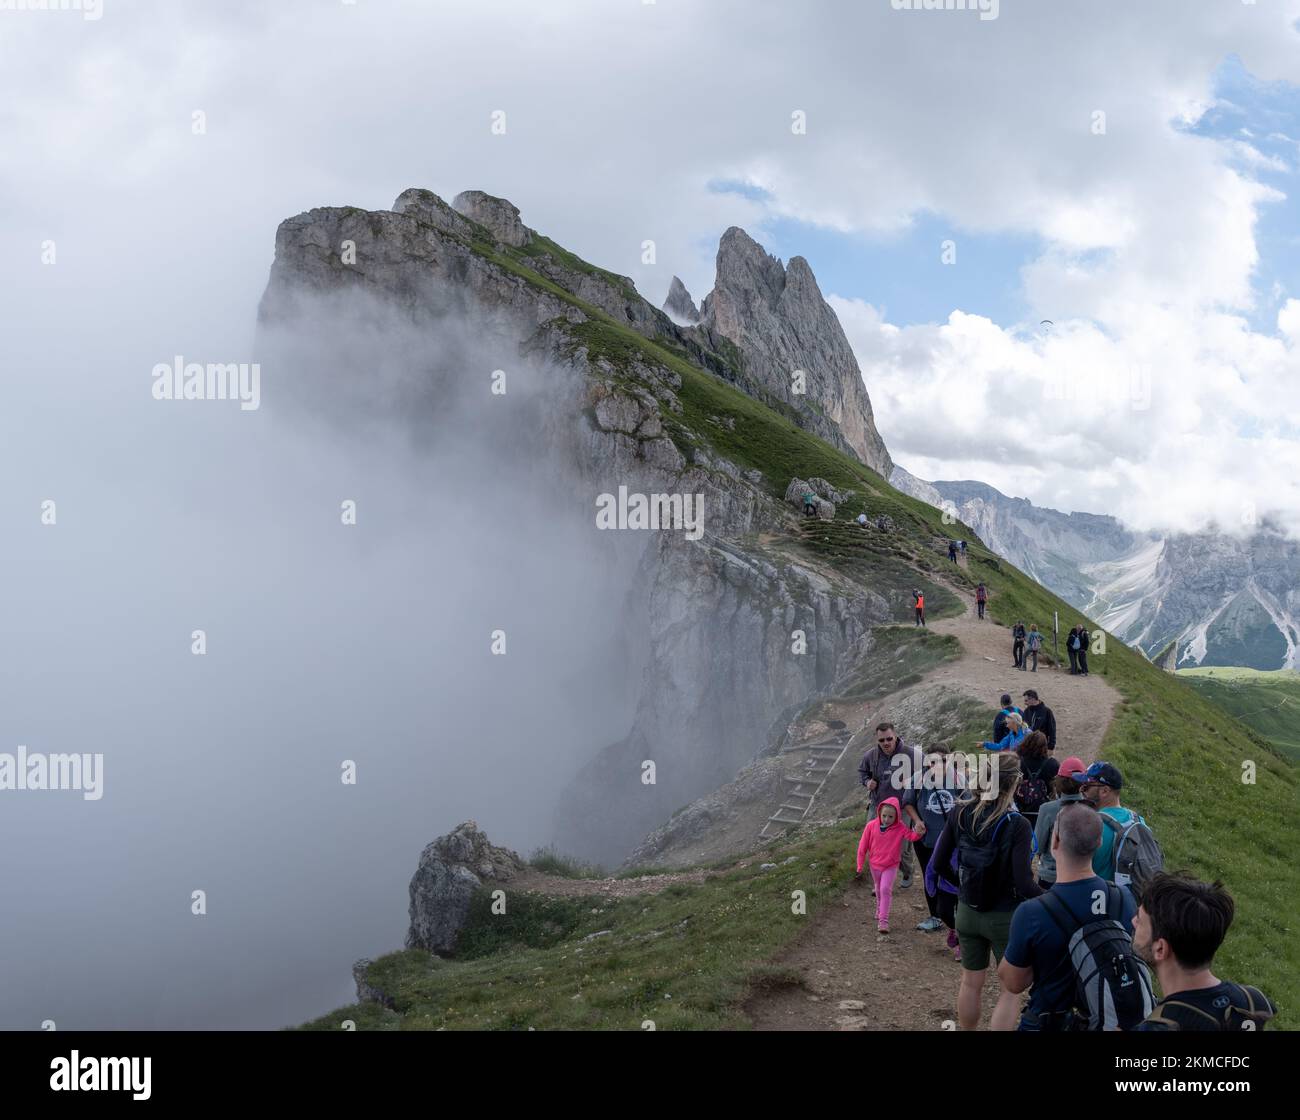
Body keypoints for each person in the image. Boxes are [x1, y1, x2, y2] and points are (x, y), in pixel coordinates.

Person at [998, 803, 1148, 1031]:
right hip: (1103, 1020)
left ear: (1055, 841)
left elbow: (1014, 982)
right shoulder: (1122, 897)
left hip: (1049, 1021)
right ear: (1099, 843)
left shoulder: (1032, 912)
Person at [932, 751, 1042, 1030]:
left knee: (971, 982)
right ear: (1014, 782)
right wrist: (1052, 899)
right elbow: (1023, 882)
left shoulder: (960, 811)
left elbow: (939, 862)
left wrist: (962, 886)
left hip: (967, 912)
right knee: (1010, 990)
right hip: (1005, 916)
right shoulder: (1018, 825)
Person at [1133, 873, 1277, 1031]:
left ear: (1160, 949)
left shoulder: (1161, 1027)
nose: (1134, 922)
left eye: (1140, 920)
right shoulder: (1252, 1001)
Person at [905, 744, 965, 933]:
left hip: (952, 841)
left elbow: (969, 803)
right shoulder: (918, 779)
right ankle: (935, 915)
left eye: (943, 760)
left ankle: (955, 914)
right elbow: (907, 802)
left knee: (953, 875)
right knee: (928, 875)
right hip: (925, 839)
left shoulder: (958, 778)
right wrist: (916, 820)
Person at [857, 723, 922, 885]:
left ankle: (907, 872)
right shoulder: (871, 756)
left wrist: (913, 782)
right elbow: (862, 772)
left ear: (896, 736)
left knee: (902, 845)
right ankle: (878, 880)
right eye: (881, 740)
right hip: (878, 806)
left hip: (903, 807)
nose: (886, 743)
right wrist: (867, 782)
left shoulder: (912, 754)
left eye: (889, 739)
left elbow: (927, 772)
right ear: (877, 740)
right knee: (874, 841)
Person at [1078, 761, 1162, 886]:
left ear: (1105, 791)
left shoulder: (1092, 826)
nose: (1082, 791)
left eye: (1086, 787)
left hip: (1099, 901)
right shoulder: (1138, 820)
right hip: (1130, 901)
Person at [855, 796, 924, 933]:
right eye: (884, 816)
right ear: (879, 813)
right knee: (878, 888)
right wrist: (859, 865)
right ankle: (879, 909)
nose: (887, 819)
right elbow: (862, 846)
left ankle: (883, 921)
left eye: (891, 817)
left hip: (891, 865)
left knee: (885, 889)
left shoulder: (900, 827)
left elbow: (911, 837)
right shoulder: (871, 826)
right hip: (875, 865)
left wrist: (919, 832)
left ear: (897, 816)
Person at [1032, 756, 1087, 890]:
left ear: (1058, 782)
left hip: (1051, 875)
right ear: (1083, 783)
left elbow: (1037, 846)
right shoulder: (1091, 808)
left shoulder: (1047, 809)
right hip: (1081, 876)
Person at [1014, 731, 1059, 826]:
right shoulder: (1052, 764)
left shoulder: (1017, 762)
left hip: (1021, 809)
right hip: (1045, 810)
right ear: (1044, 747)